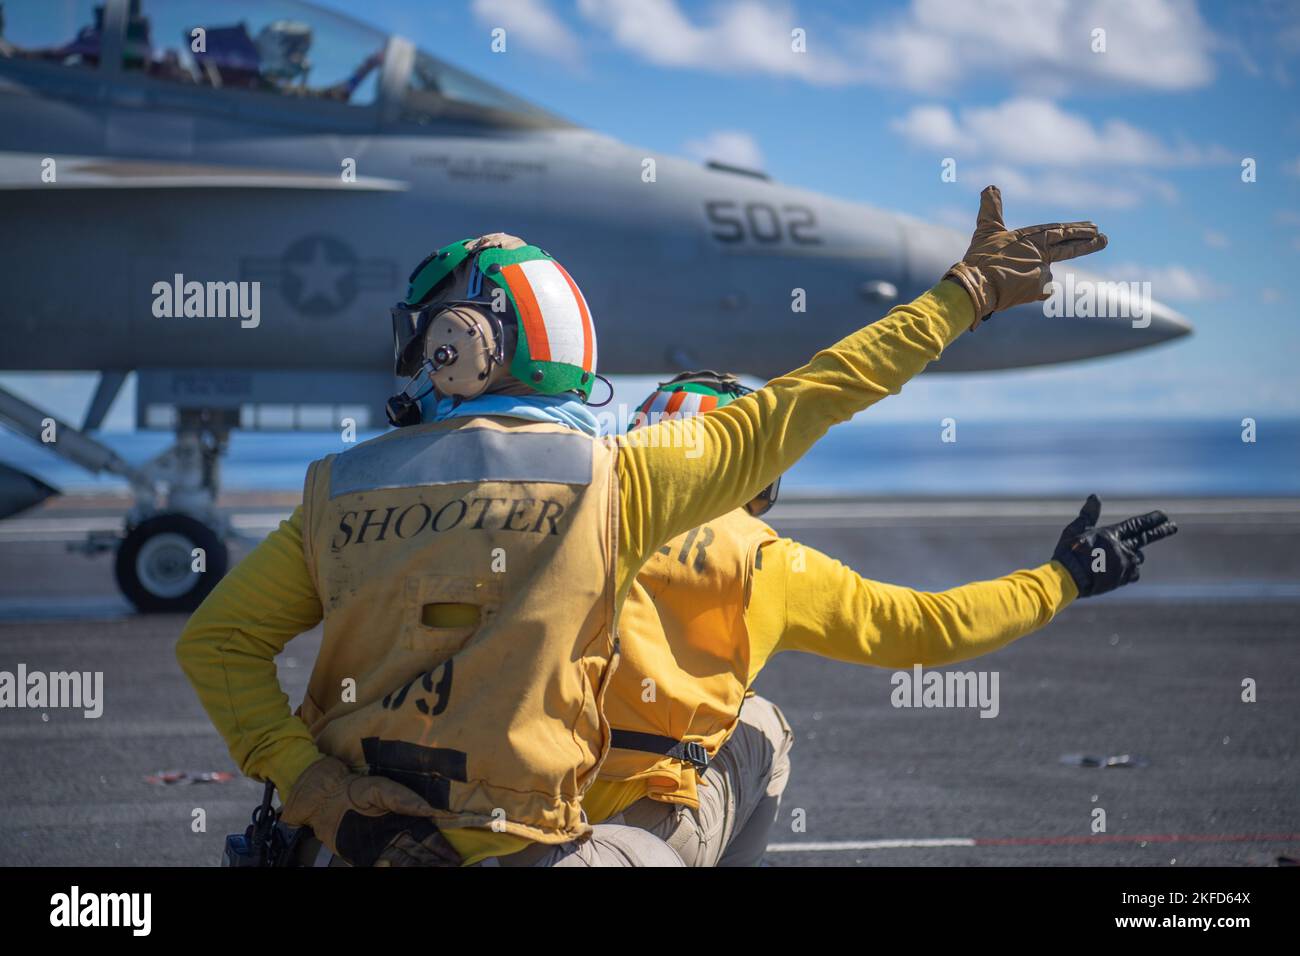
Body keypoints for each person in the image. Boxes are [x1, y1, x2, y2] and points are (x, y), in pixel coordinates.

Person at [175, 186, 1108, 866]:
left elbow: (216, 644)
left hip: (349, 850)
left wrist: (325, 794)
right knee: (760, 728)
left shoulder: (336, 487)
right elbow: (817, 395)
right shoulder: (621, 485)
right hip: (522, 856)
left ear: (461, 343)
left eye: (426, 335)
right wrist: (967, 295)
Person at [588, 372, 1177, 865]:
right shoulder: (769, 563)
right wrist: (1064, 577)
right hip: (645, 840)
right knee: (764, 723)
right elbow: (934, 626)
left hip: (530, 816)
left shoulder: (578, 522)